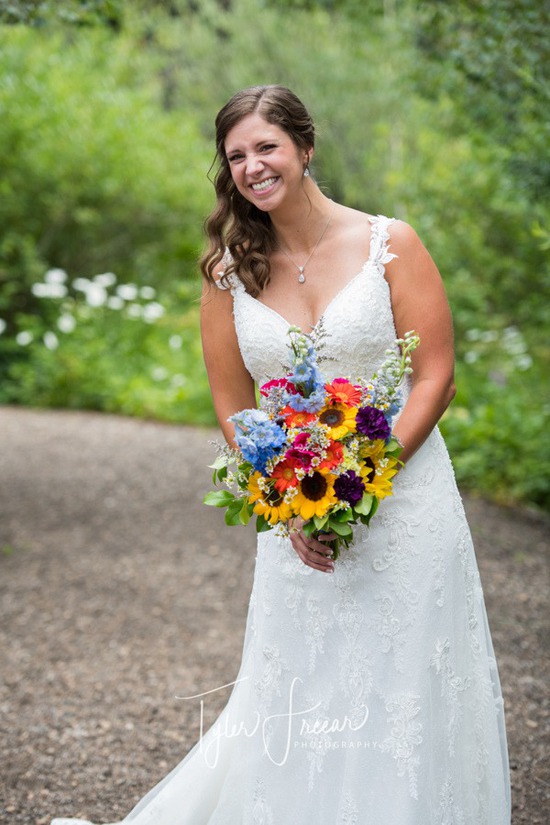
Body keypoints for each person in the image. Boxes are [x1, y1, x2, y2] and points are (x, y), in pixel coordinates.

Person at [52, 85, 511, 824]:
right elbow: (234, 406)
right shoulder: (227, 276)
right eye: (236, 155)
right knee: (304, 684)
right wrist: (289, 499)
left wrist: (368, 471)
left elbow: (435, 376)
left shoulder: (389, 243)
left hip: (407, 500)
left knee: (408, 680)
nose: (251, 166)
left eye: (265, 147)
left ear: (303, 146)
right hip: (295, 506)